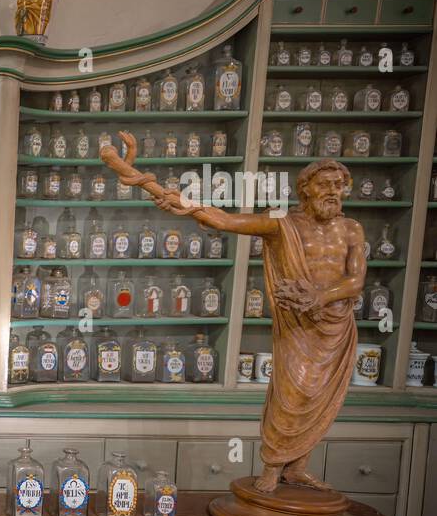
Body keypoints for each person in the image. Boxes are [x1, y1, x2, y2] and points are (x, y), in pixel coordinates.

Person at [144, 158, 365, 493]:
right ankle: (274, 466)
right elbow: (227, 221)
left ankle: (298, 467)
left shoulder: (352, 229)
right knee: (291, 392)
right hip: (297, 324)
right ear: (305, 189)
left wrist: (321, 296)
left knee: (321, 397)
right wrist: (187, 204)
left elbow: (356, 281)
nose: (333, 192)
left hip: (335, 325)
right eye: (325, 184)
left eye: (338, 185)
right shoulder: (282, 222)